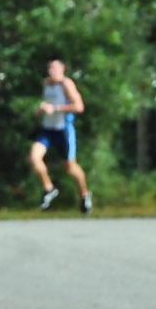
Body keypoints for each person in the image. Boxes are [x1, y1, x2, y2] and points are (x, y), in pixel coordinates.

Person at [29, 58, 91, 214]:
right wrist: (40, 110)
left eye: (55, 68)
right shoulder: (46, 84)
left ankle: (84, 194)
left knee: (70, 168)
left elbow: (79, 106)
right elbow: (47, 104)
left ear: (62, 69)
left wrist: (55, 108)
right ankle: (49, 188)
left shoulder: (66, 84)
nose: (51, 71)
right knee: (34, 158)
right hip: (47, 130)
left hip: (63, 130)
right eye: (49, 68)